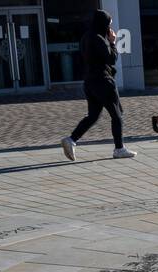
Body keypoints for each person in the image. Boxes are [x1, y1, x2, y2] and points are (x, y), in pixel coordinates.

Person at [62, 10, 136, 161]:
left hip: (89, 82)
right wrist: (113, 42)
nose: (110, 28)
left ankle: (71, 140)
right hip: (103, 81)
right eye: (109, 24)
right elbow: (111, 58)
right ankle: (119, 148)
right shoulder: (99, 39)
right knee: (117, 114)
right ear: (103, 24)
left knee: (93, 115)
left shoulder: (86, 37)